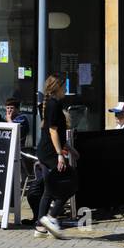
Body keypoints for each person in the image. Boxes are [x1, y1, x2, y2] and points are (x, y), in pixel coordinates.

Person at [35, 74, 74, 239]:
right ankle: (50, 218)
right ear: (57, 88)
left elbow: (55, 132)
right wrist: (60, 154)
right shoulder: (53, 104)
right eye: (64, 87)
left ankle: (40, 227)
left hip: (46, 151)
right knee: (71, 184)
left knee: (49, 190)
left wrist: (69, 148)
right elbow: (52, 131)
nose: (65, 90)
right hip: (50, 153)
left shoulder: (53, 104)